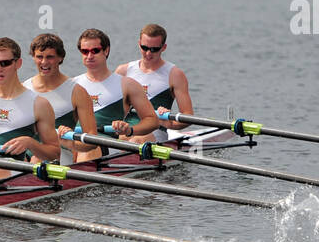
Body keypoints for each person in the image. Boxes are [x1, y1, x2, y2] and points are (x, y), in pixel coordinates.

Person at [0, 37, 60, 183]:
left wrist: (30, 143)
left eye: (5, 63)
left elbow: (54, 154)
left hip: (15, 166)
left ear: (18, 63)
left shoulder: (39, 104)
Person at [72, 27, 160, 159]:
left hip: (106, 143)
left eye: (95, 51)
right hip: (75, 140)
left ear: (106, 51)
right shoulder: (72, 84)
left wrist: (130, 130)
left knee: (88, 151)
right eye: (85, 52)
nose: (89, 56)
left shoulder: (127, 84)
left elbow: (152, 121)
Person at [23, 32, 98, 165]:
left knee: (37, 159)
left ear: (60, 58)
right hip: (27, 154)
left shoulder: (77, 92)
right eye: (39, 57)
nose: (44, 62)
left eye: (50, 57)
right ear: (33, 57)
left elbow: (92, 141)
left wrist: (72, 144)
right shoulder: (24, 89)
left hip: (59, 154)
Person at [115, 23, 194, 143]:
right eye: (144, 48)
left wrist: (169, 123)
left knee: (136, 141)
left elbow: (188, 116)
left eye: (154, 49)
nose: (148, 53)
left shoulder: (175, 75)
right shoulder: (123, 71)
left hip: (155, 131)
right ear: (139, 44)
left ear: (164, 47)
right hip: (126, 130)